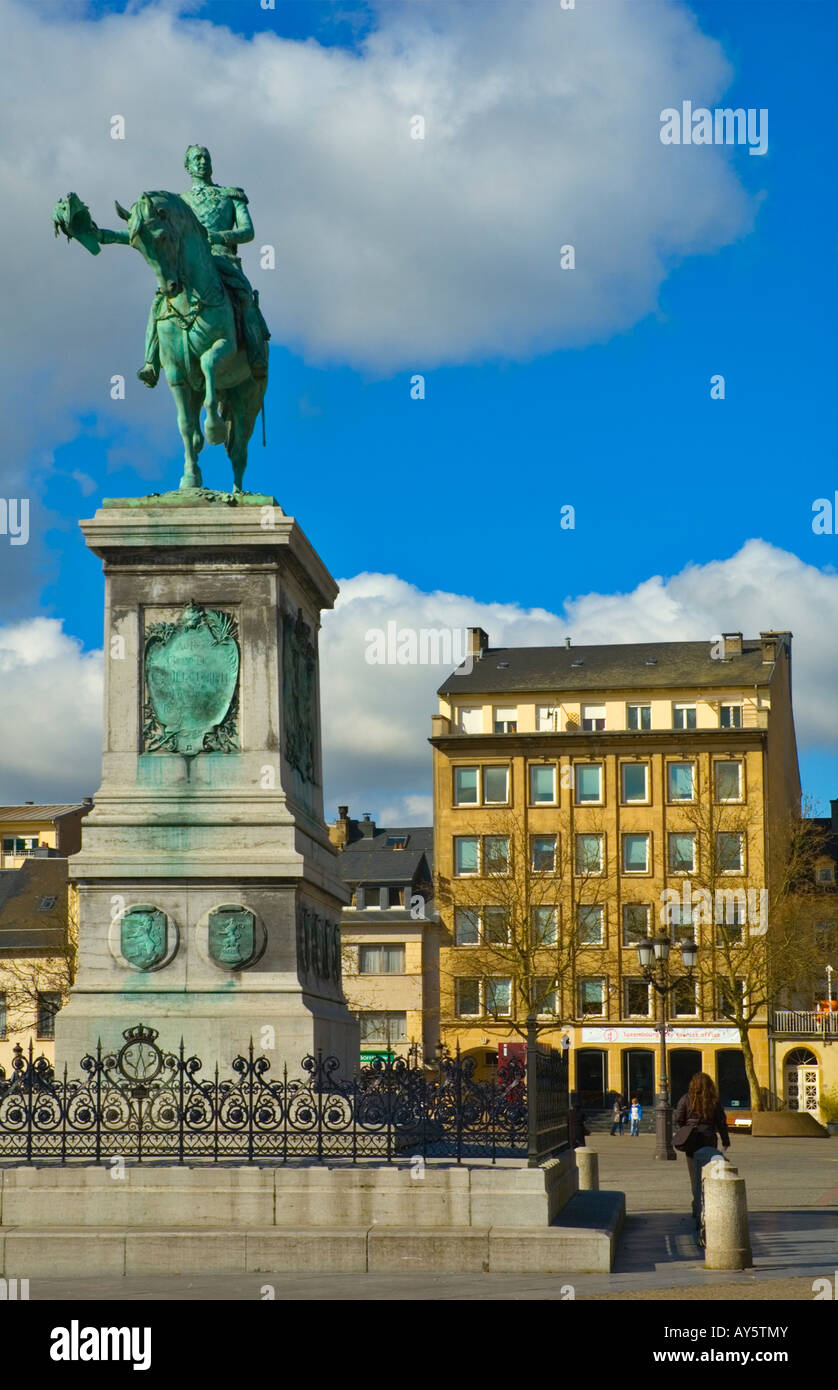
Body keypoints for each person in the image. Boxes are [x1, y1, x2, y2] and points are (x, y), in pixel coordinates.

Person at [673, 1072, 731, 1224]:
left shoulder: (686, 1098)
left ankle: (697, 1206)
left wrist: (686, 1128)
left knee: (694, 1175)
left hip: (691, 1140)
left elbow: (678, 1117)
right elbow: (721, 1122)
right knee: (709, 1173)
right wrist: (725, 1140)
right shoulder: (713, 1101)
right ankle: (708, 1205)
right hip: (709, 1138)